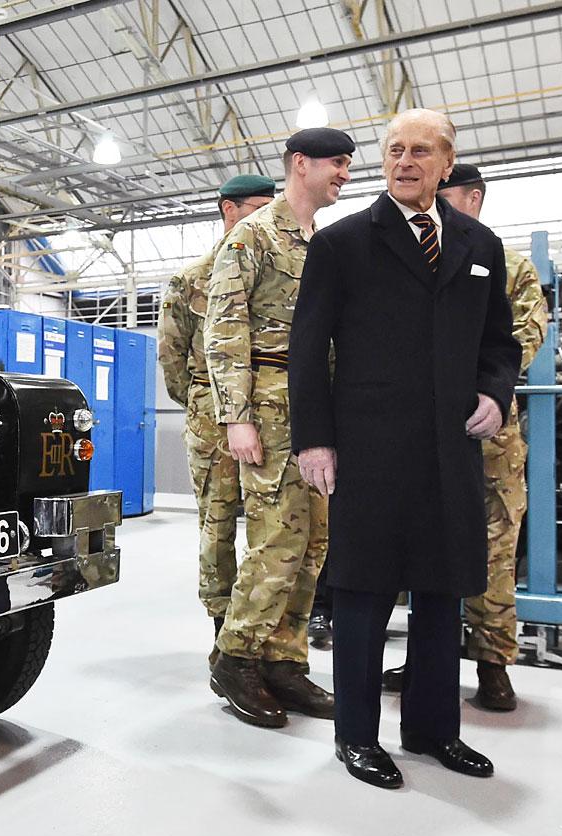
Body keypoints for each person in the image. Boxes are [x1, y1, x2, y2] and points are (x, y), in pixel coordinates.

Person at [289, 110, 521, 789]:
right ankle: (356, 735)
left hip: (452, 448)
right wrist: (315, 439)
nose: (406, 161)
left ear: (447, 162)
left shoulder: (481, 245)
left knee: (441, 589)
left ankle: (432, 728)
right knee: (363, 590)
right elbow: (307, 349)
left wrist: (494, 392)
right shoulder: (344, 243)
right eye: (395, 150)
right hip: (370, 446)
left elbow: (499, 343)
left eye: (422, 150)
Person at [381, 164, 549, 711]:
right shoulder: (412, 257)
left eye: (445, 191)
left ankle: (493, 663)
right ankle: (424, 659)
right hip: (422, 427)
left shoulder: (511, 264)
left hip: (490, 429)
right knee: (420, 539)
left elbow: (523, 335)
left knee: (495, 547)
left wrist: (484, 390)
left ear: (472, 198)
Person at [204, 128, 353, 728]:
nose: (345, 172)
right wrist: (237, 417)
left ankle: (285, 662)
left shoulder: (326, 240)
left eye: (347, 163)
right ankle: (236, 656)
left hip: (318, 407)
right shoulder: (254, 234)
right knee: (277, 539)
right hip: (268, 405)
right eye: (336, 163)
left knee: (314, 542)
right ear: (301, 164)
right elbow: (224, 329)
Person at [158, 174, 276, 666]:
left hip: (270, 414)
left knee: (273, 527)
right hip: (212, 420)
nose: (270, 218)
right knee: (218, 524)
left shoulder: (276, 273)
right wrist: (207, 404)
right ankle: (221, 629)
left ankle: (262, 629)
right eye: (259, 208)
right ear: (229, 210)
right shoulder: (191, 281)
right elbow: (172, 359)